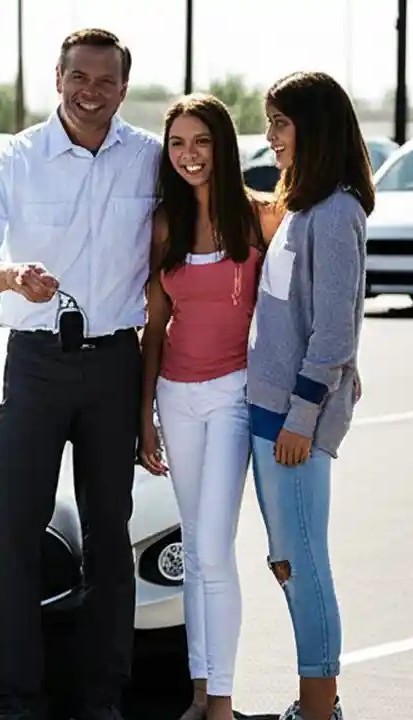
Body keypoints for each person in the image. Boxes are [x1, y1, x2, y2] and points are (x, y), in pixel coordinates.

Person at [0, 27, 162, 720]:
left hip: (115, 367)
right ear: (58, 79)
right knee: (15, 535)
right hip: (35, 367)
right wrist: (13, 276)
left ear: (124, 88)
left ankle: (102, 699)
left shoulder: (151, 160)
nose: (91, 92)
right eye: (80, 78)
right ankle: (16, 700)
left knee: (109, 535)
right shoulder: (15, 160)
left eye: (106, 81)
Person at [137, 93, 279, 720]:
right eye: (177, 144)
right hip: (174, 393)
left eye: (201, 142)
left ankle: (220, 701)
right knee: (194, 548)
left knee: (215, 549)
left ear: (222, 145)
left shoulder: (258, 218)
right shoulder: (164, 223)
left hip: (232, 395)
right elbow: (154, 324)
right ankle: (198, 694)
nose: (189, 155)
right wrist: (144, 412)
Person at [248, 70, 375, 720]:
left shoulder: (335, 213)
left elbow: (335, 333)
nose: (270, 137)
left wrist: (302, 416)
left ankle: (319, 711)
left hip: (293, 421)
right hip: (267, 411)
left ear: (314, 129)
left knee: (304, 562)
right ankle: (314, 706)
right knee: (287, 560)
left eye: (280, 123)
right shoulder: (300, 207)